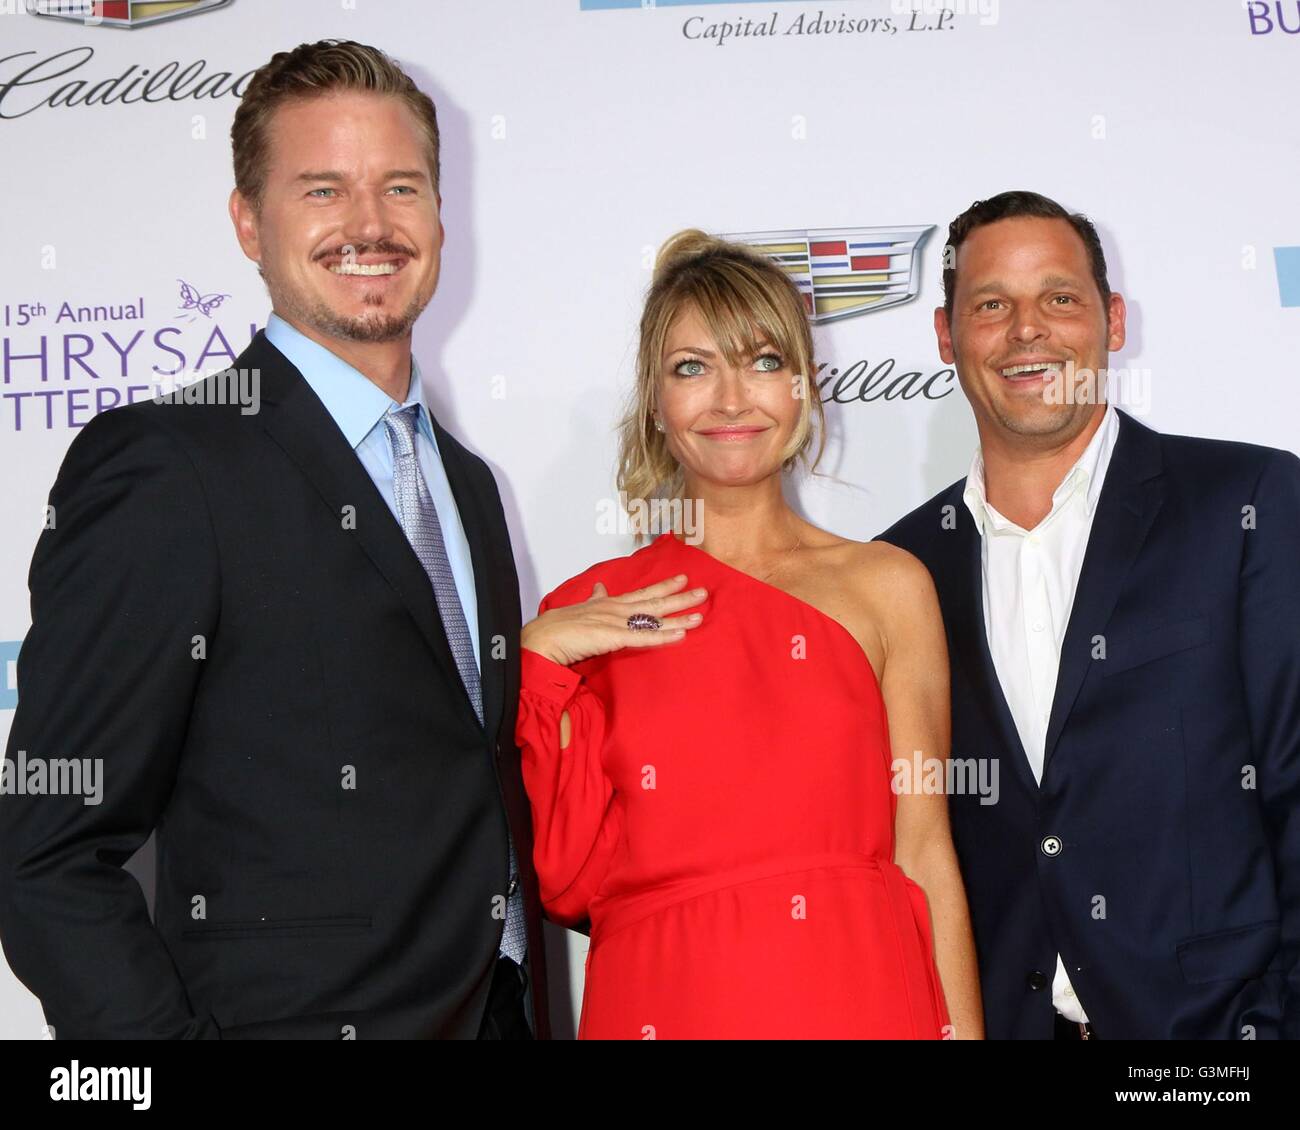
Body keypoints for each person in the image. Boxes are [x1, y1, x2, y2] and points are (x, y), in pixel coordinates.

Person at [0, 40, 546, 1040]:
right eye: (322, 190)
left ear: (438, 212)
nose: (369, 225)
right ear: (249, 223)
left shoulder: (467, 485)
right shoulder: (169, 467)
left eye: (401, 187)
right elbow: (46, 852)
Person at [514, 229, 982, 1039]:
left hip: (859, 994)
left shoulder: (889, 586)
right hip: (662, 999)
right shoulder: (586, 614)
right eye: (693, 367)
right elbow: (563, 884)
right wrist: (538, 662)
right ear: (656, 403)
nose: (732, 400)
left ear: (803, 388)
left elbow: (925, 852)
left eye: (763, 361)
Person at [878, 190, 1300, 1040]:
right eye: (991, 304)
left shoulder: (1244, 503)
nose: (1027, 329)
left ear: (1111, 320)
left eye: (1059, 298)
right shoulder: (901, 567)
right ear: (944, 335)